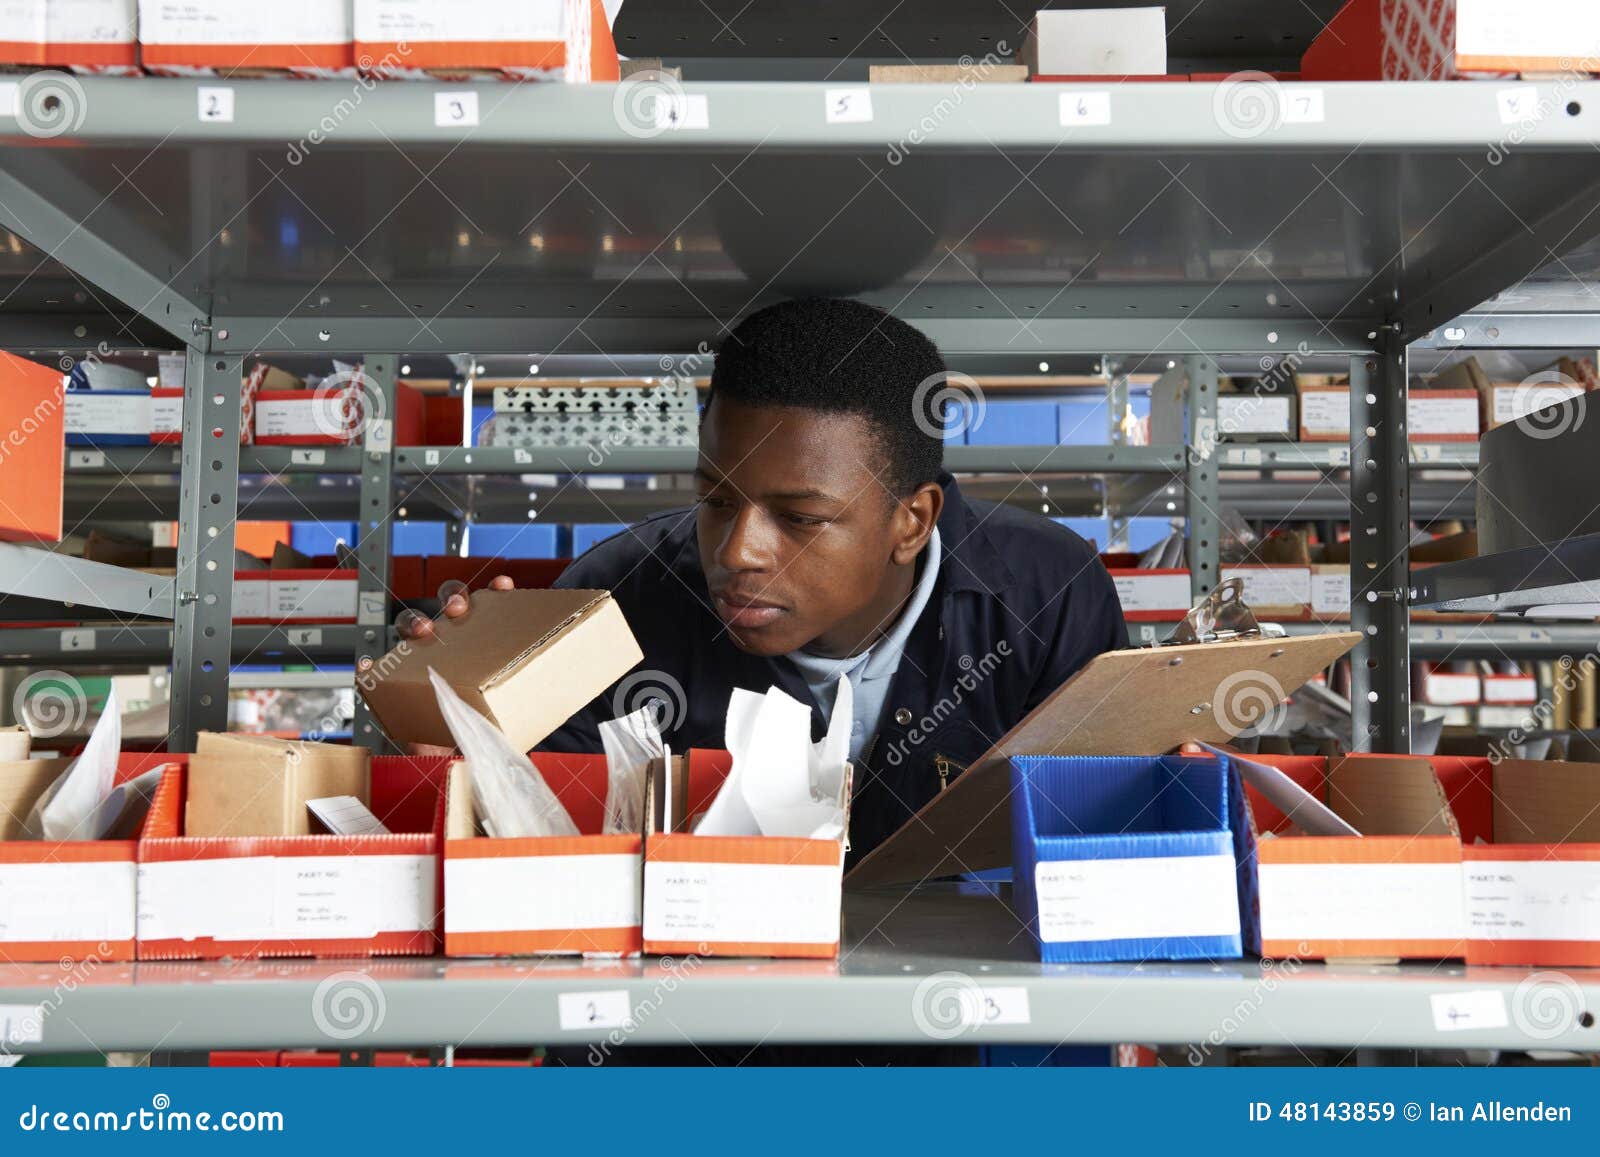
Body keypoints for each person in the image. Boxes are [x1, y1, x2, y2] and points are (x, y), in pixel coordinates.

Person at [406, 296, 1129, 865]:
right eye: (716, 499)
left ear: (912, 521)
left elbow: (1101, 849)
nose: (739, 551)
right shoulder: (609, 605)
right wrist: (456, 742)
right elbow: (540, 870)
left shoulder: (1050, 598)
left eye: (800, 517)